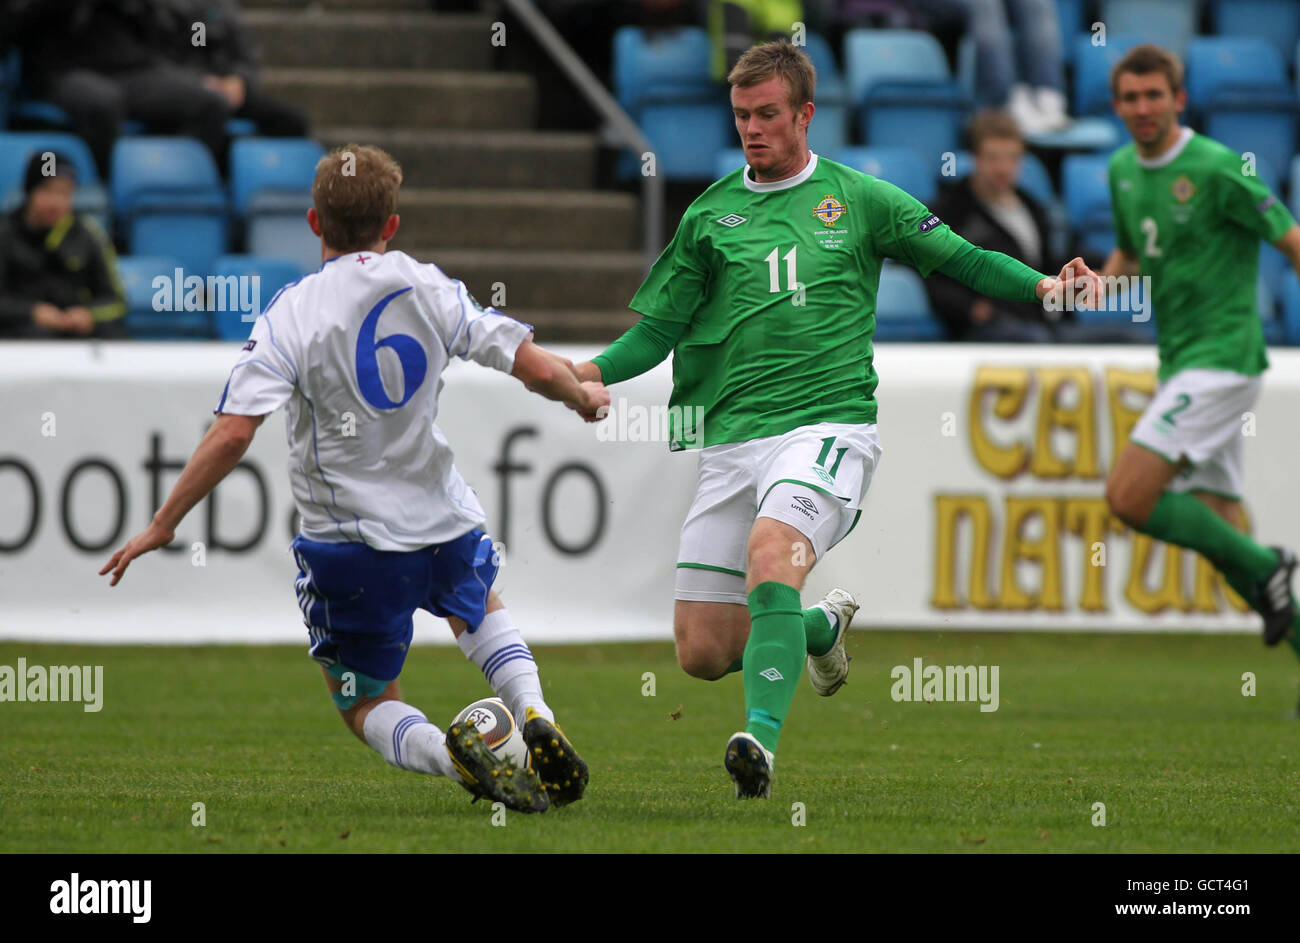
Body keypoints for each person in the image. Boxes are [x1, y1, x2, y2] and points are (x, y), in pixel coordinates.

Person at [573, 41, 1100, 798]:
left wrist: (1047, 286)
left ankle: (758, 744)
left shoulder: (860, 199)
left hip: (826, 428)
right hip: (730, 440)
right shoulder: (709, 215)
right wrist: (591, 372)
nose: (752, 128)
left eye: (768, 114)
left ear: (805, 115)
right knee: (702, 651)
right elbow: (659, 331)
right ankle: (818, 627)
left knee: (772, 553)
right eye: (741, 116)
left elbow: (963, 259)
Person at [99, 144, 609, 813]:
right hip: (442, 523)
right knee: (478, 607)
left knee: (362, 699)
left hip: (350, 544)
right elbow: (531, 365)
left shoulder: (292, 311)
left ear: (314, 221)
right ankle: (535, 709)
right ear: (391, 223)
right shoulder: (426, 285)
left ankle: (457, 757)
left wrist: (163, 524)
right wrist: (580, 394)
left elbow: (233, 433)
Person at [1095, 44, 1300, 680]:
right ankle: (1271, 587)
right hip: (1180, 360)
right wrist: (1094, 286)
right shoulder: (1122, 170)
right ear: (1116, 106)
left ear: (1179, 100)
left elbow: (1291, 240)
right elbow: (1132, 256)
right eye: (1130, 97)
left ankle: (1271, 564)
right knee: (1221, 535)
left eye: (1154, 95)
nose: (1143, 107)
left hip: (1224, 358)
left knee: (1128, 497)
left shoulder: (1217, 167)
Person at [927, 109, 1143, 342]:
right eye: (993, 158)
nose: (1002, 168)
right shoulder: (950, 212)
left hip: (1044, 322)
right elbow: (929, 271)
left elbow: (1054, 259)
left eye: (1012, 158)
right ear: (975, 159)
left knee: (1129, 338)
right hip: (991, 328)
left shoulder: (1033, 207)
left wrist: (1100, 267)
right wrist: (970, 308)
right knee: (1037, 340)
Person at [0, 150, 127, 339]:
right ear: (30, 191)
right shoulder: (5, 233)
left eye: (65, 193)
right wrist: (31, 312)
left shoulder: (87, 234)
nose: (56, 202)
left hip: (77, 335)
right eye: (48, 190)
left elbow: (116, 301)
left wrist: (88, 314)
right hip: (20, 337)